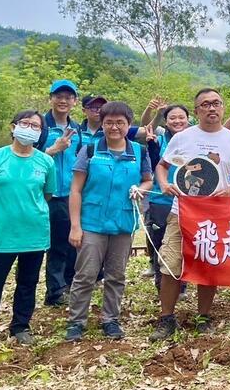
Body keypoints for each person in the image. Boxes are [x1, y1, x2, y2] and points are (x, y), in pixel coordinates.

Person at [149, 89, 230, 341]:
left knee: (209, 266)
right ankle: (166, 318)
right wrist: (163, 183)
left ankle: (203, 317)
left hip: (215, 214)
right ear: (197, 111)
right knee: (170, 265)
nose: (211, 108)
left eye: (216, 103)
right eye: (205, 104)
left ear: (223, 107)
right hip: (180, 211)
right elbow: (162, 166)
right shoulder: (183, 137)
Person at [64, 102, 153, 341]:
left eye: (120, 122)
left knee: (116, 275)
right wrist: (75, 226)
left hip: (123, 223)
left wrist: (140, 189)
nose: (114, 127)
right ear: (102, 124)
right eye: (109, 122)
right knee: (86, 275)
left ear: (128, 124)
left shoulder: (139, 151)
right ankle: (76, 322)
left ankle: (110, 320)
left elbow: (148, 180)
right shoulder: (90, 150)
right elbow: (75, 190)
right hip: (92, 223)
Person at [0, 111, 56, 346]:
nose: (29, 129)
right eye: (25, 124)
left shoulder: (46, 162)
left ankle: (20, 327)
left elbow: (46, 194)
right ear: (13, 127)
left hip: (35, 234)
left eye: (35, 126)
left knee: (28, 284)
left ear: (41, 132)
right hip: (3, 235)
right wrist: (2, 208)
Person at [35, 79, 86, 308]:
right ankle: (54, 292)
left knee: (73, 242)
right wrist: (54, 150)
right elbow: (29, 157)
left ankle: (68, 285)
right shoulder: (40, 127)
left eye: (68, 97)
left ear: (74, 101)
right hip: (48, 195)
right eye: (58, 96)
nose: (63, 100)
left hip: (72, 194)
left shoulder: (77, 130)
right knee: (56, 244)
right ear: (51, 99)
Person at [144, 103, 190, 291]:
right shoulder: (159, 139)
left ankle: (182, 284)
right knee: (161, 242)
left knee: (184, 243)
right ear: (166, 121)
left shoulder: (194, 139)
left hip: (188, 200)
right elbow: (156, 165)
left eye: (181, 117)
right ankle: (161, 285)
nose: (177, 121)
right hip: (161, 199)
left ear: (188, 119)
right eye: (172, 118)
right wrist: (152, 145)